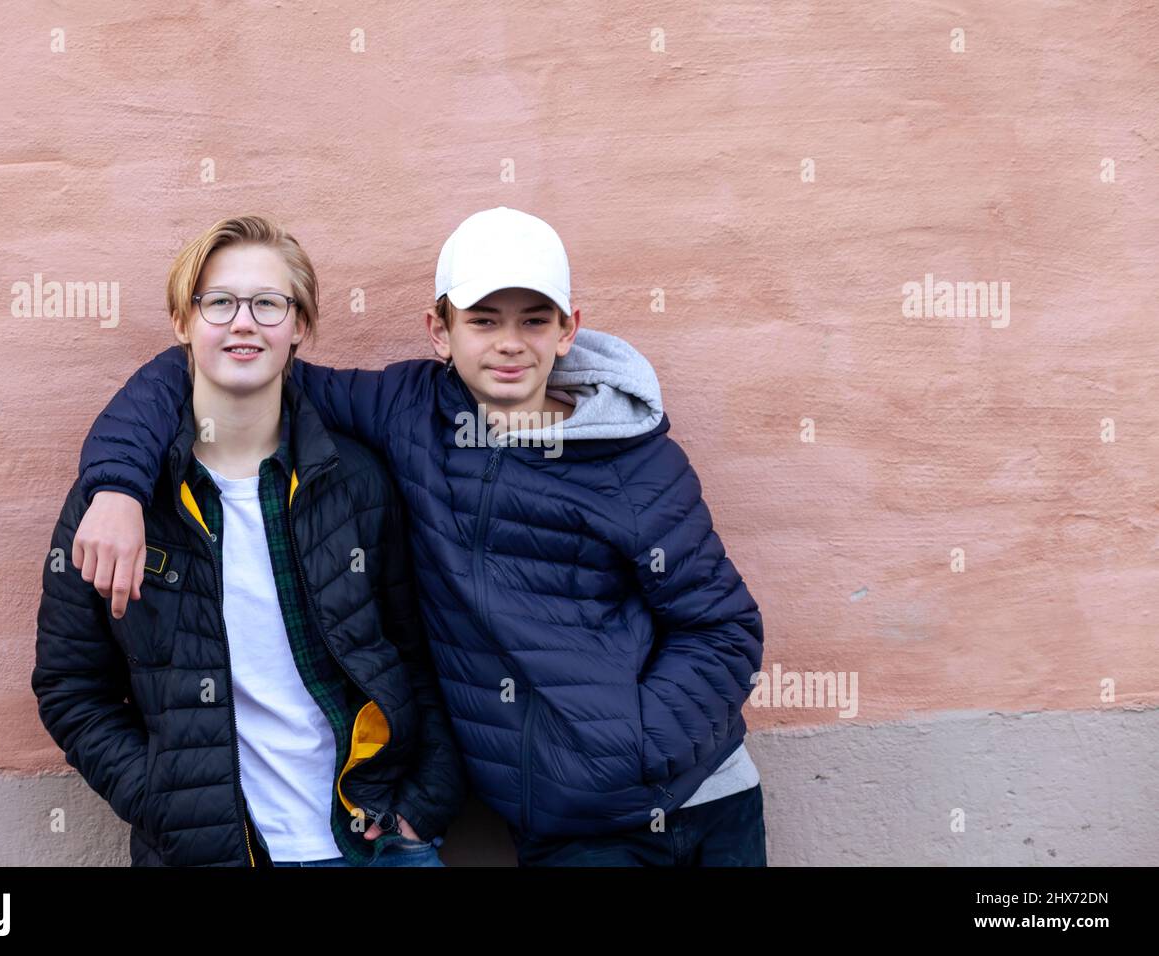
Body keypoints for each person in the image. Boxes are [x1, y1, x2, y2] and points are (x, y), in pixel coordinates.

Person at [69, 207, 766, 866]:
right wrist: (116, 485)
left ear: (568, 329)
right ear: (440, 330)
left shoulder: (635, 458)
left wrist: (632, 750)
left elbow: (724, 627)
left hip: (705, 800)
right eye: (484, 319)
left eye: (534, 320)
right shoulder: (407, 413)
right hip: (567, 826)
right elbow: (230, 364)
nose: (510, 343)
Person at [33, 215, 464, 867]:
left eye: (268, 303)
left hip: (371, 845)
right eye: (220, 302)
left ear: (299, 327)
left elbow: (418, 658)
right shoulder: (117, 505)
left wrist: (421, 806)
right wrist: (167, 802)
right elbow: (71, 687)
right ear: (184, 323)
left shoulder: (357, 484)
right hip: (210, 853)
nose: (244, 322)